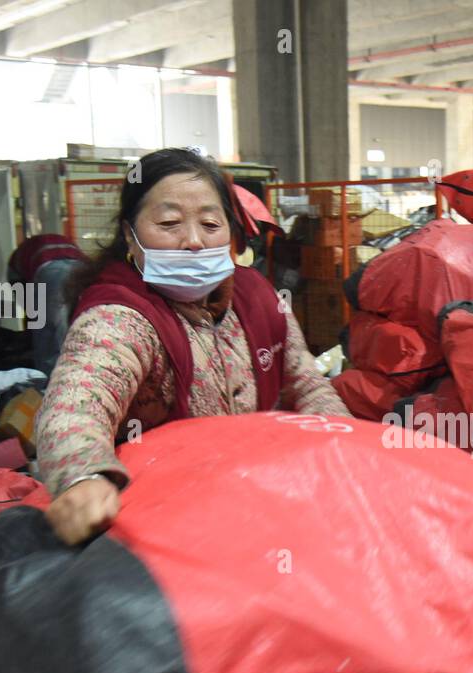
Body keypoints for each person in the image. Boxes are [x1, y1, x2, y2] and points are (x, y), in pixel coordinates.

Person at [36, 148, 349, 546]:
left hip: (256, 507)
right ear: (130, 237)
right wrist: (83, 476)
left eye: (210, 223)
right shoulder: (121, 316)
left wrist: (347, 445)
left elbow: (307, 384)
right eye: (169, 223)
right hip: (162, 525)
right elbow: (76, 403)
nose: (194, 241)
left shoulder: (257, 296)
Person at [6, 234, 88, 377]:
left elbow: (32, 313)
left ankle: (48, 383)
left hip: (50, 269)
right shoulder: (50, 244)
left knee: (47, 336)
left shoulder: (16, 265)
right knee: (75, 324)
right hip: (80, 267)